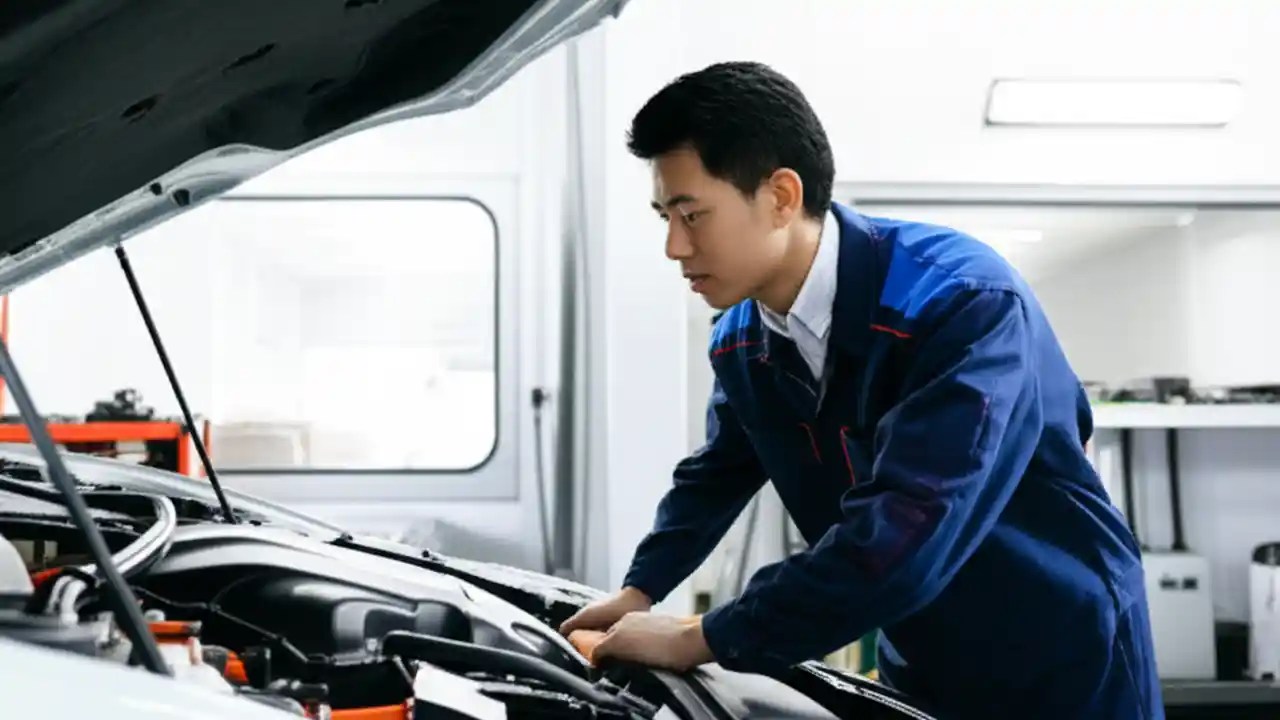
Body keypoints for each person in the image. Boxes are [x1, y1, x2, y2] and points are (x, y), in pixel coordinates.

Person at [558, 61, 1162, 719]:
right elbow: (717, 474)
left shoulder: (961, 308)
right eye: (663, 216)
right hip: (924, 649)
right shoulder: (742, 338)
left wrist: (698, 639)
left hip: (1062, 656)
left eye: (692, 214)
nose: (674, 246)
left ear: (782, 196)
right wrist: (640, 589)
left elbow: (906, 530)